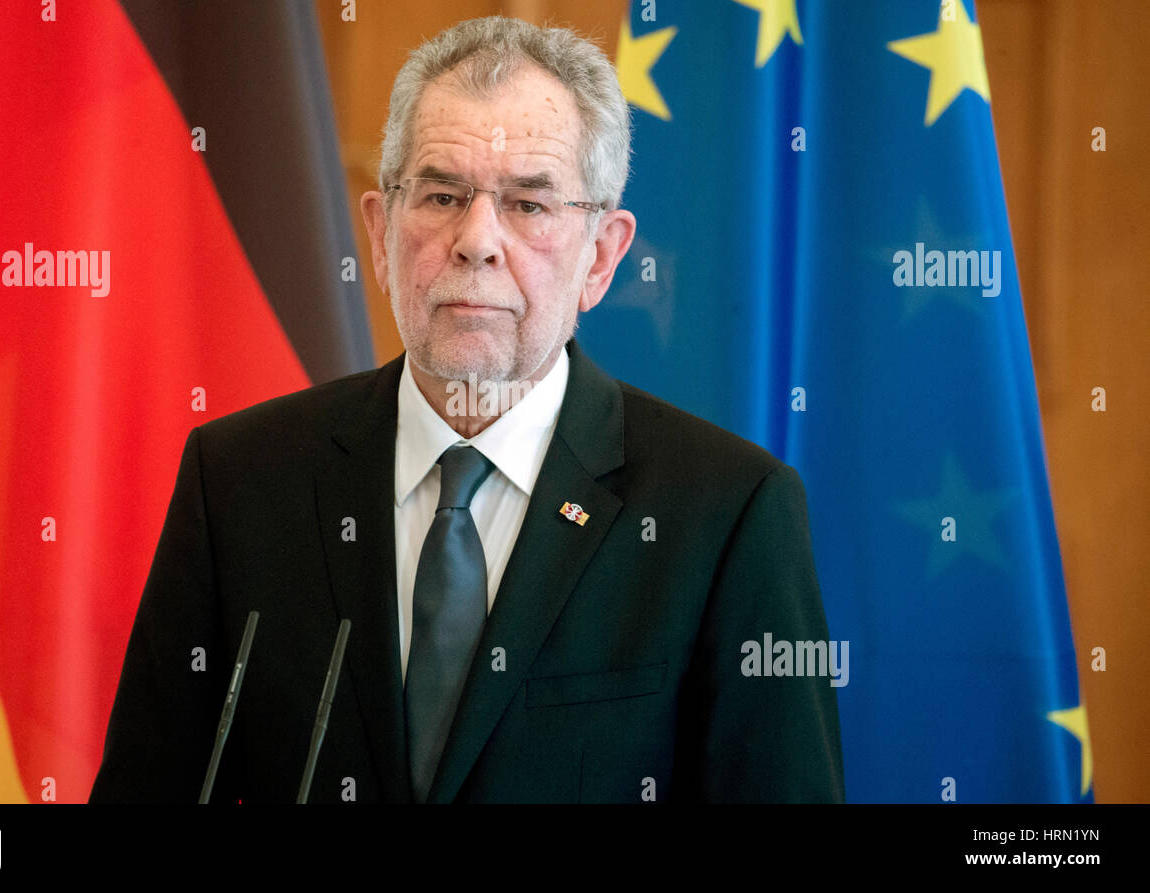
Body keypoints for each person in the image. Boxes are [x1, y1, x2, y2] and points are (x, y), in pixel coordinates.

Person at [90, 16, 844, 804]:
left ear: (603, 256)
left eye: (528, 204)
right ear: (380, 236)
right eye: (443, 194)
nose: (476, 240)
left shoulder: (725, 513)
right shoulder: (239, 482)